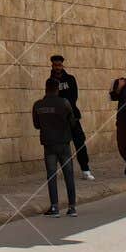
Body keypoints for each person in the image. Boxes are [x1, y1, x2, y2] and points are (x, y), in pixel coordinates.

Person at [32, 76, 80, 217]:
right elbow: (72, 122)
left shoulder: (38, 105)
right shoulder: (64, 103)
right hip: (64, 143)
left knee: (51, 175)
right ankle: (72, 207)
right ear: (57, 89)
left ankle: (54, 207)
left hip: (49, 144)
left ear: (46, 89)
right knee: (68, 174)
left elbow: (36, 125)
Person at [49, 55, 95, 179]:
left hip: (72, 116)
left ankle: (85, 169)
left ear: (62, 65)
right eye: (55, 65)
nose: (57, 68)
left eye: (59, 65)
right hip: (58, 119)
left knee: (79, 142)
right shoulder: (50, 82)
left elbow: (73, 97)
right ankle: (62, 170)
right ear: (52, 66)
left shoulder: (70, 79)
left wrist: (67, 110)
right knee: (60, 145)